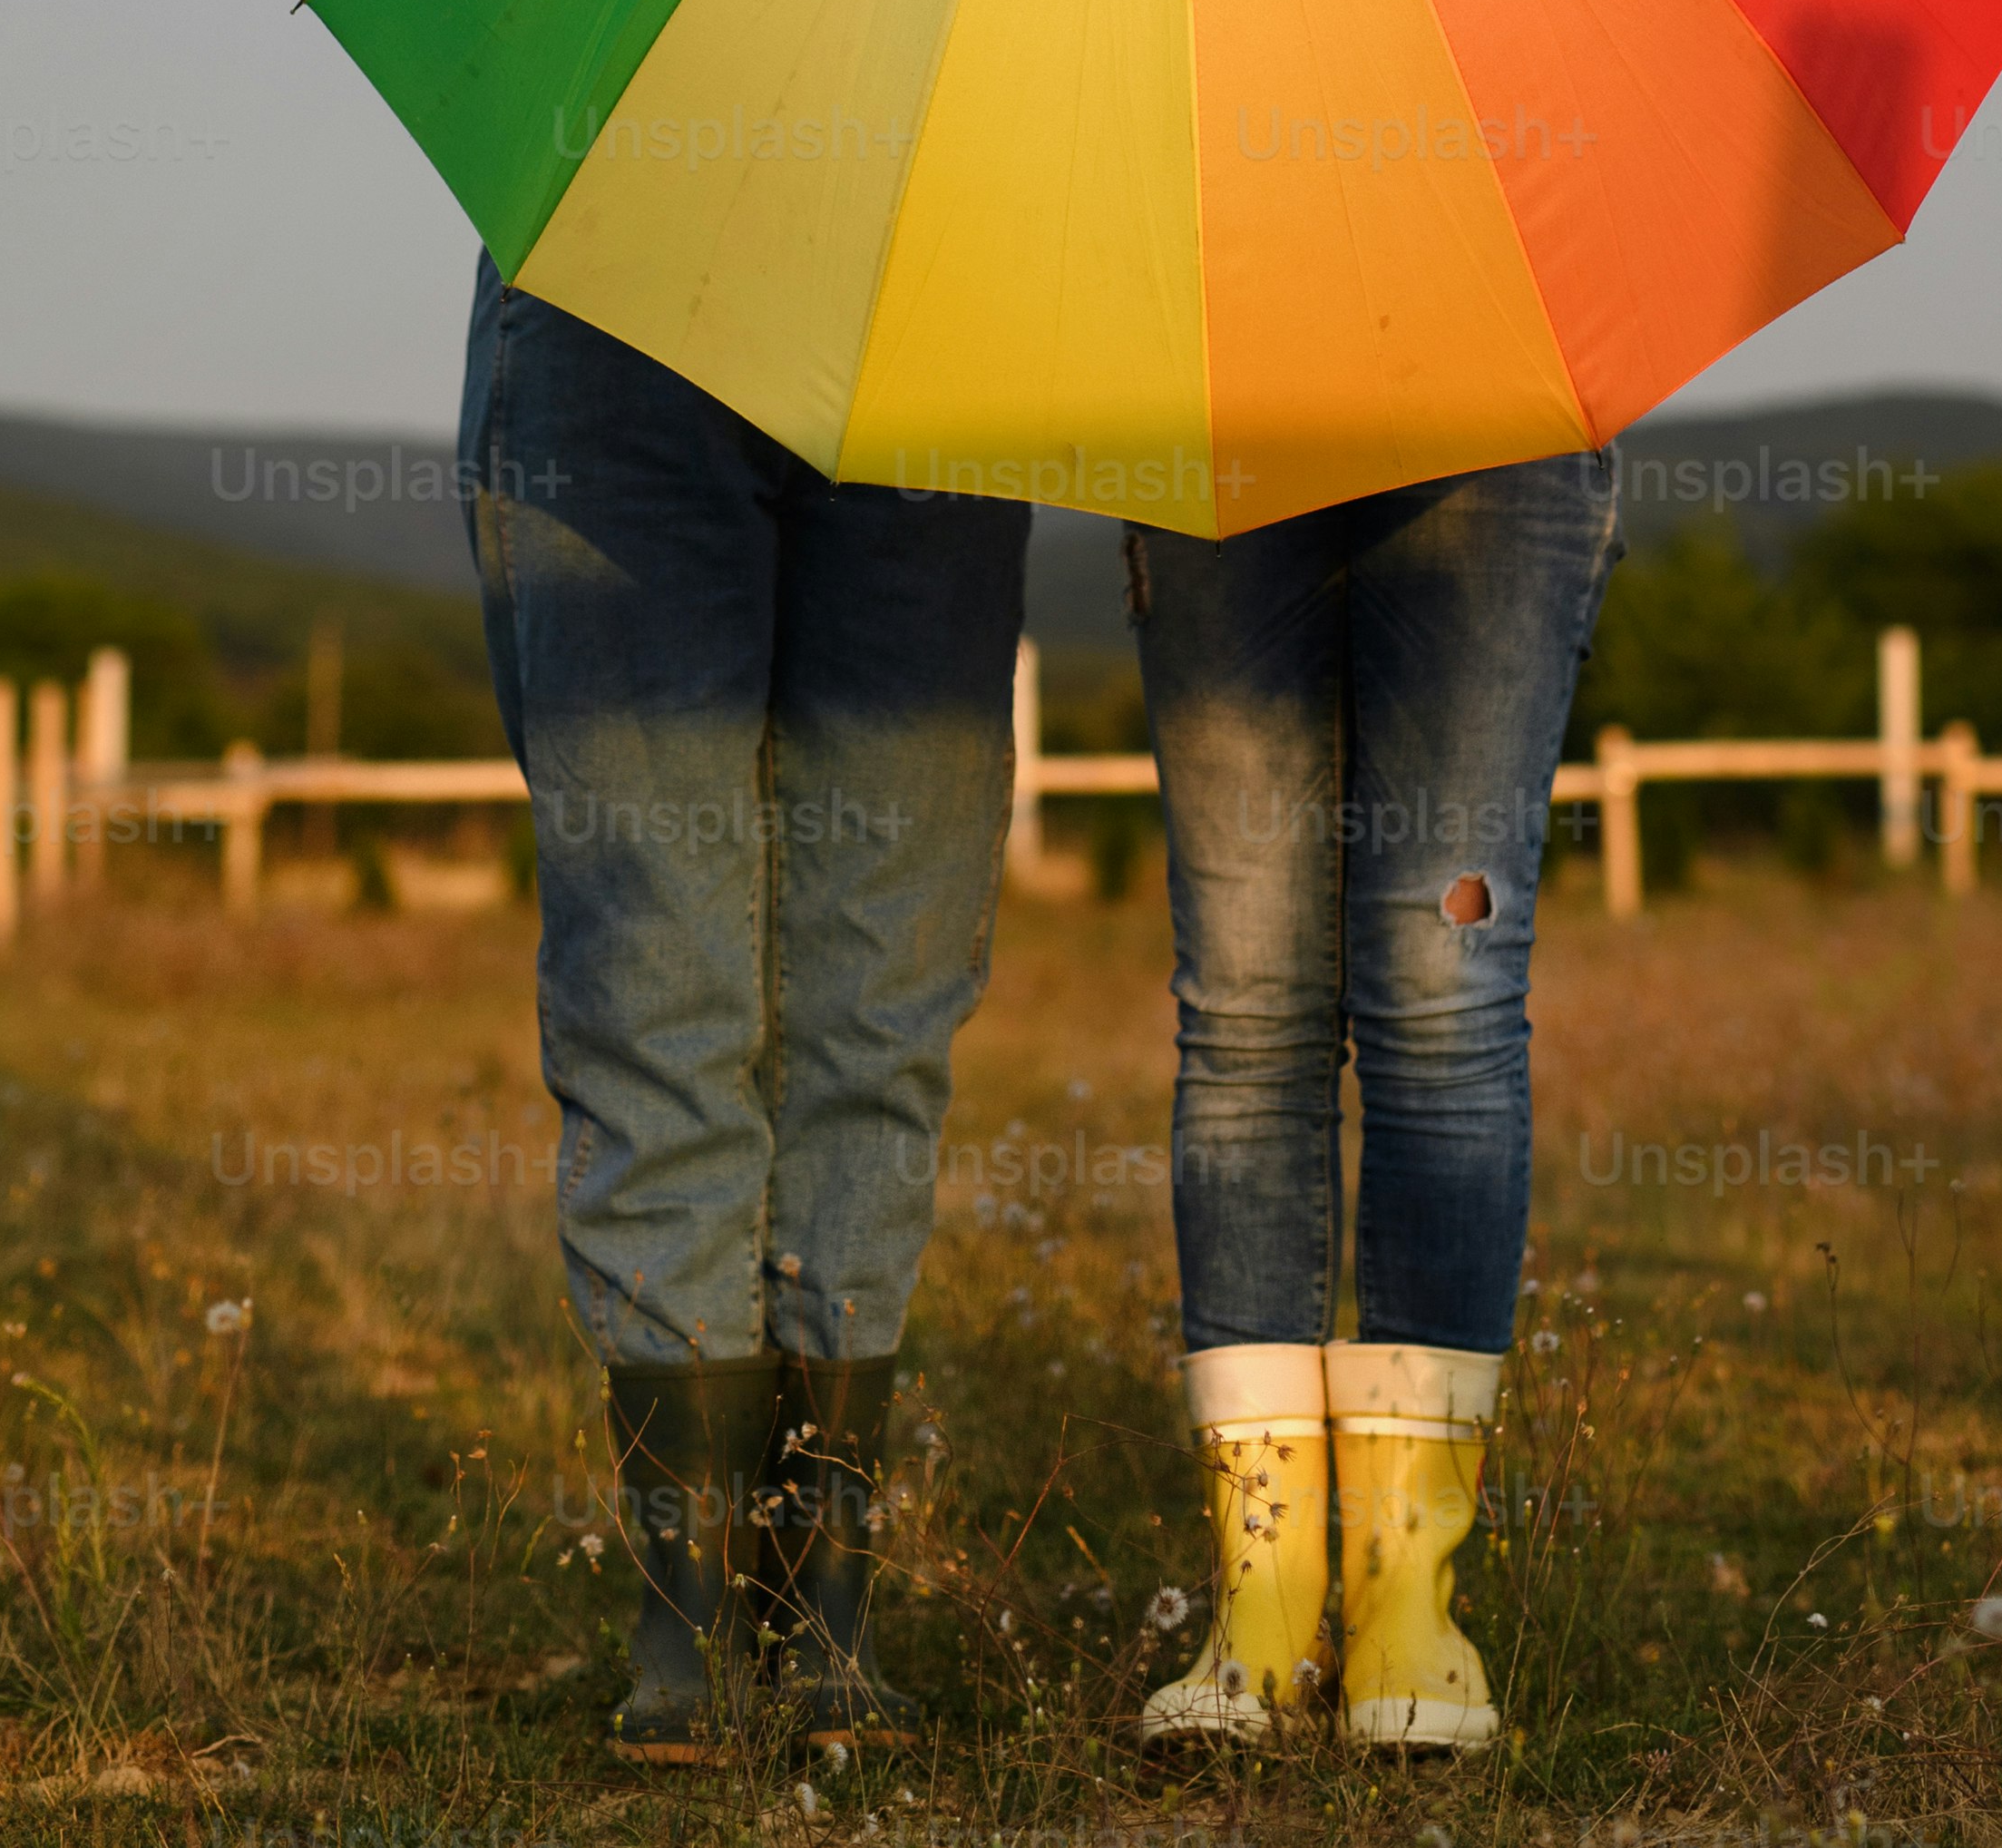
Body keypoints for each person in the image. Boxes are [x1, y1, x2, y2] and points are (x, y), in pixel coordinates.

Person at [459, 255, 1030, 1759]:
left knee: (887, 983)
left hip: (942, 310)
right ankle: (691, 1610)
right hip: (622, 289)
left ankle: (823, 1601)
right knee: (655, 973)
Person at [1125, 444, 1621, 1751]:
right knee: (1243, 1006)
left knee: (1443, 999)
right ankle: (1266, 1606)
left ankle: (1410, 1610)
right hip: (1218, 415)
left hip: (1489, 422)